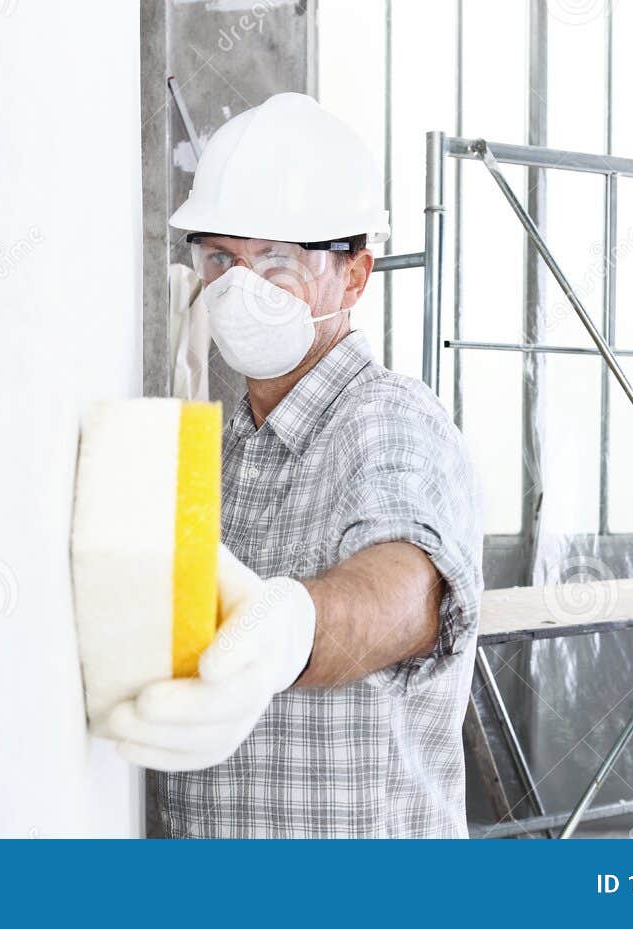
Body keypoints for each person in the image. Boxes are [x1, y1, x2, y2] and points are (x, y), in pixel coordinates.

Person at [103, 92, 484, 837]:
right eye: (221, 258)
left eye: (276, 260)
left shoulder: (390, 418)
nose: (240, 287)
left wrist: (291, 630)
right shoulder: (222, 447)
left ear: (353, 275)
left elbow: (407, 591)